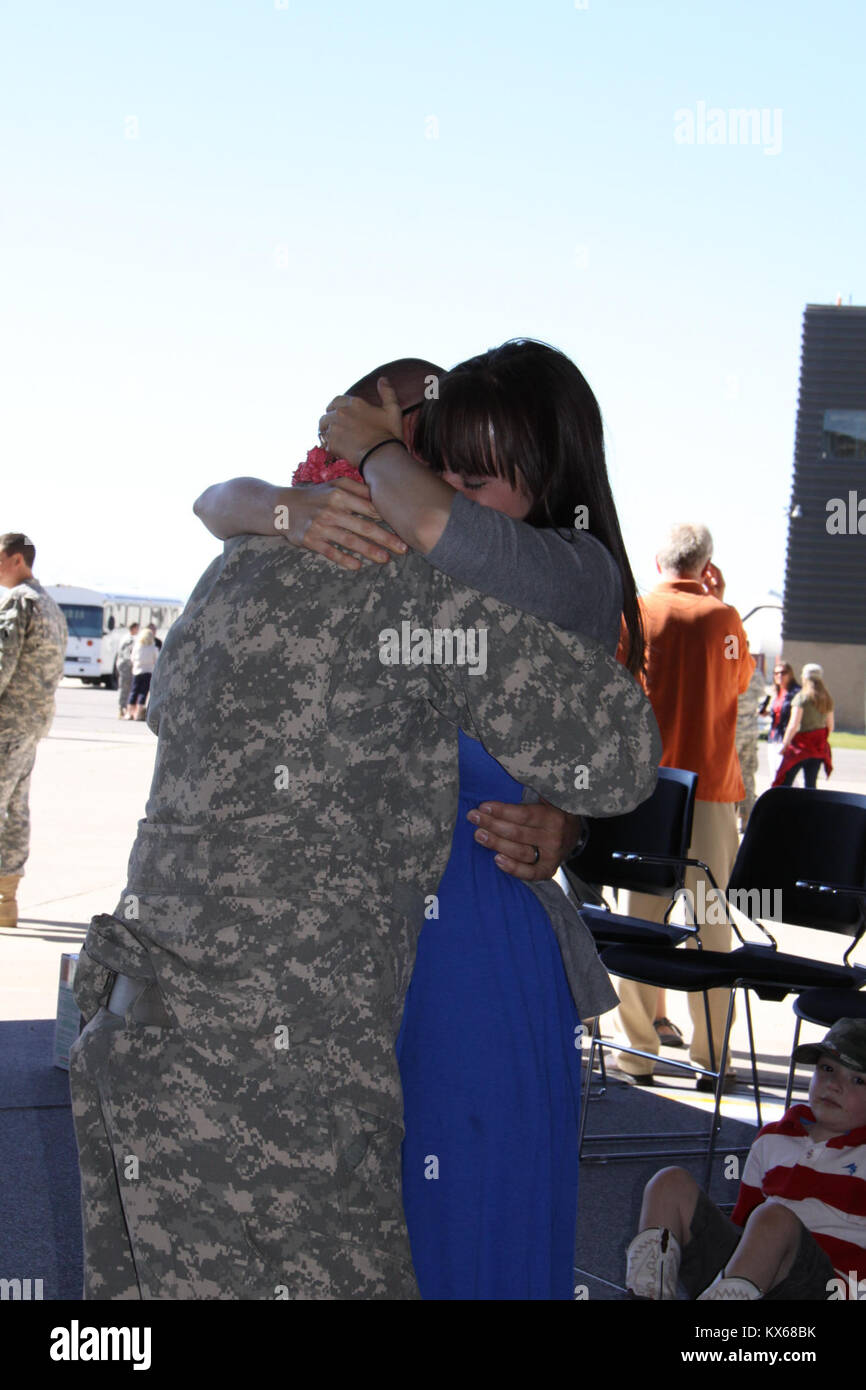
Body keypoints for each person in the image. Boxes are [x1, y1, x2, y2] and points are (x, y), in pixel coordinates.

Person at [69, 355, 659, 1300]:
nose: (442, 496)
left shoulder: (563, 568)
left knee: (463, 1229)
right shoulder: (387, 563)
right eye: (440, 465)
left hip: (471, 943)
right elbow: (220, 501)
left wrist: (569, 826)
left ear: (552, 479)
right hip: (362, 967)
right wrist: (276, 505)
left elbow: (610, 759)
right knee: (360, 1227)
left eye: (474, 476)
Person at [613, 523, 755, 1090]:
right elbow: (741, 679)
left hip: (649, 791)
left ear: (656, 560)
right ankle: (712, 1056)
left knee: (638, 923)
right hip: (712, 789)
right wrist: (718, 603)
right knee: (711, 925)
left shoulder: (639, 612)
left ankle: (638, 1052)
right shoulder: (723, 619)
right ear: (707, 564)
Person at [624, 1017, 866, 1300]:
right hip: (751, 1278)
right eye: (827, 1069)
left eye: (858, 1080)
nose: (834, 1085)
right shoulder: (772, 1139)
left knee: (773, 1217)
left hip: (828, 1288)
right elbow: (745, 1222)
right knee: (668, 1182)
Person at [0, 533, 67, 928]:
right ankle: (7, 899)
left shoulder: (20, 602)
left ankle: (6, 900)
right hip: (30, 722)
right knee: (15, 808)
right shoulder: (50, 606)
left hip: (7, 722)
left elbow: (2, 666)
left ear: (17, 560)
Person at [773, 662, 834, 789]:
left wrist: (785, 745)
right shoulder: (827, 698)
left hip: (800, 747)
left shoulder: (802, 697)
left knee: (785, 781)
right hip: (817, 748)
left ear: (804, 677)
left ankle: (782, 807)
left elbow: (793, 725)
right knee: (811, 784)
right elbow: (830, 726)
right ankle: (810, 808)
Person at [735, 662, 768, 832]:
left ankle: (732, 819)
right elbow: (761, 694)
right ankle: (746, 820)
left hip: (733, 728)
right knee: (747, 776)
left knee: (730, 776)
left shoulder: (730, 668)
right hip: (750, 728)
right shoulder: (754, 671)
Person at [762, 659, 800, 782]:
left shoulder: (796, 693)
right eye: (776, 673)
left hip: (788, 739)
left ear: (790, 674)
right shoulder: (775, 692)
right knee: (774, 774)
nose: (779, 676)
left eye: (783, 673)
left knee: (785, 776)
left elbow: (795, 718)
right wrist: (766, 712)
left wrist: (786, 742)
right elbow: (777, 712)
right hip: (774, 737)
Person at [128, 626, 157, 721]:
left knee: (134, 691)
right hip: (148, 671)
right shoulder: (153, 648)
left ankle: (129, 713)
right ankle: (138, 713)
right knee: (143, 692)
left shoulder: (137, 646)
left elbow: (132, 658)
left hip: (137, 671)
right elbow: (156, 660)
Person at [116, 622, 139, 719]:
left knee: (126, 688)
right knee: (125, 688)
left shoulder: (125, 637)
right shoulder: (130, 639)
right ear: (133, 628)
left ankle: (123, 708)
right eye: (137, 628)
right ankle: (122, 708)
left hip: (123, 664)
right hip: (126, 665)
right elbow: (127, 654)